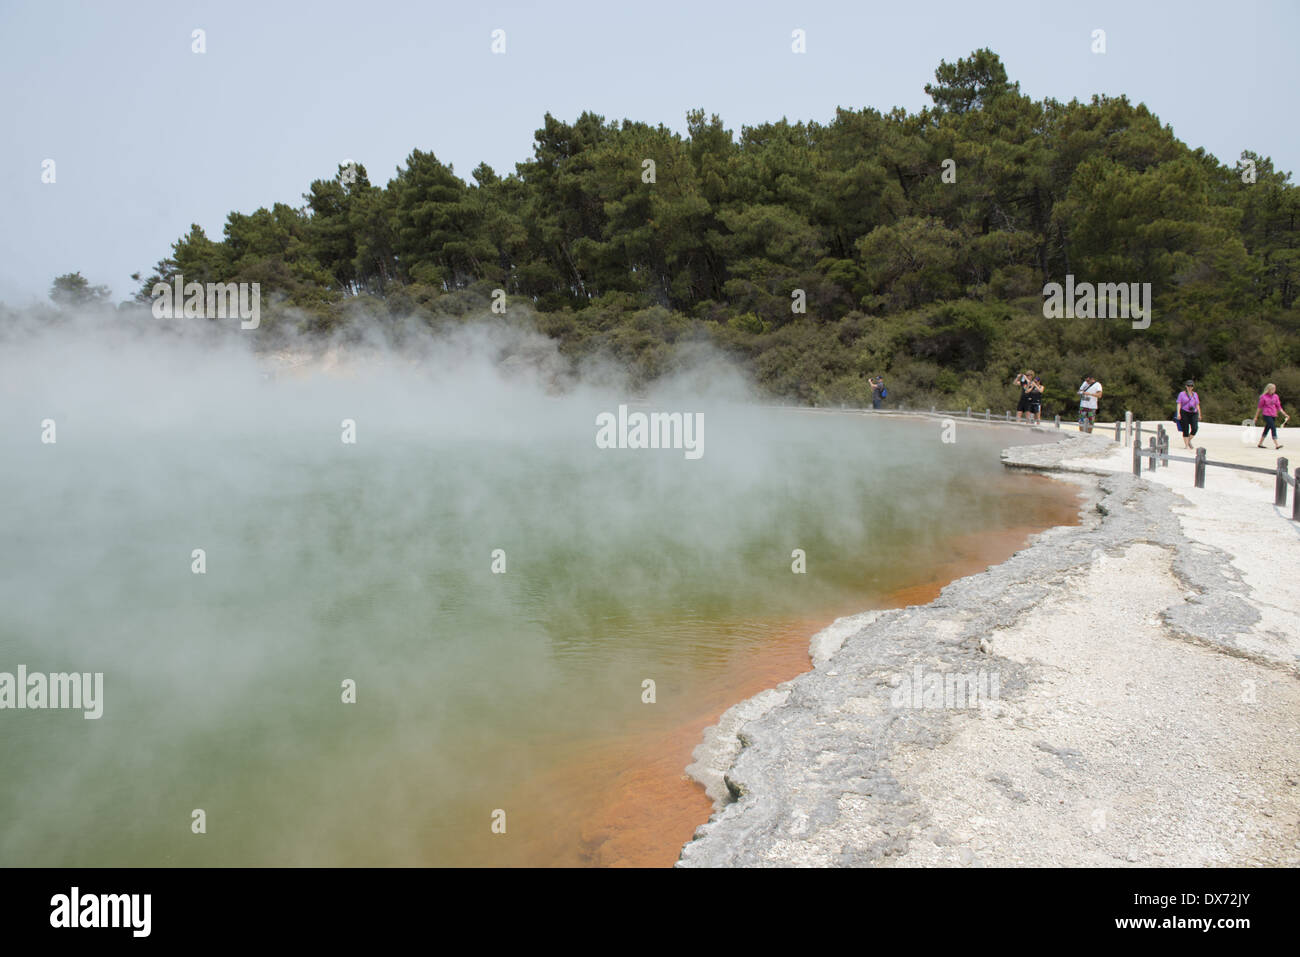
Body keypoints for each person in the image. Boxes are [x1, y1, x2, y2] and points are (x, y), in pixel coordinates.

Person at [1253, 383, 1289, 450]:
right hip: (1266, 414)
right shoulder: (1263, 397)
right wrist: (1256, 417)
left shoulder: (1276, 396)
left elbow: (1279, 407)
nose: (1274, 390)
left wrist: (1285, 414)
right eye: (1273, 389)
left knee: (1267, 428)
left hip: (1273, 414)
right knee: (1273, 427)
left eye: (1275, 388)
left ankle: (1260, 443)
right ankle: (1276, 444)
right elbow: (1259, 408)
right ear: (1269, 389)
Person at [1174, 379, 1200, 449]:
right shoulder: (1182, 394)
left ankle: (1188, 440)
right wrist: (1178, 413)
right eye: (1188, 385)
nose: (1190, 387)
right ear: (1186, 386)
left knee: (1195, 428)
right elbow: (1179, 404)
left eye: (1191, 386)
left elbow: (1197, 404)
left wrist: (1199, 414)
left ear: (1193, 387)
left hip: (1194, 412)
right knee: (1185, 428)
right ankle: (1186, 445)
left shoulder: (1195, 394)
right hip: (1184, 412)